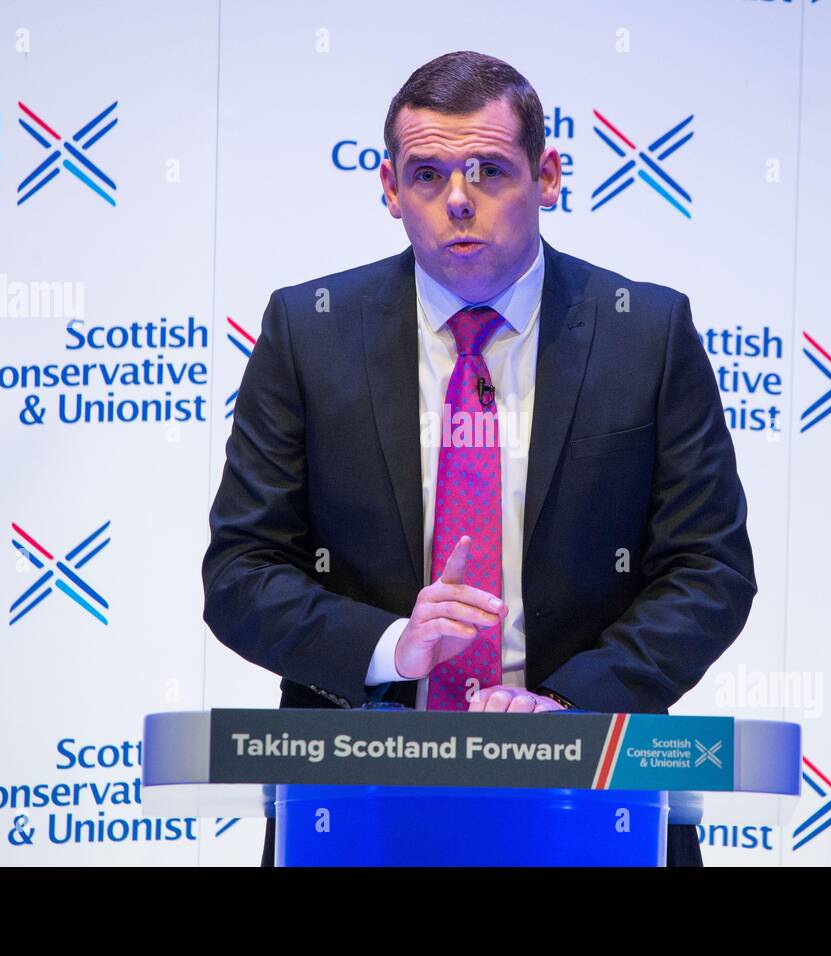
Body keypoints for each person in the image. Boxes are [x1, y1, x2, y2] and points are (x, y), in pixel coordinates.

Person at [201, 50, 757, 867]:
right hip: (360, 808)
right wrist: (392, 646)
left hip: (596, 799)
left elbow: (710, 570)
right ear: (390, 190)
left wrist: (568, 707)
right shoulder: (307, 333)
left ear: (549, 175)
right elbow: (241, 574)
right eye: (426, 176)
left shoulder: (647, 335)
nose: (458, 200)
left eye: (489, 170)